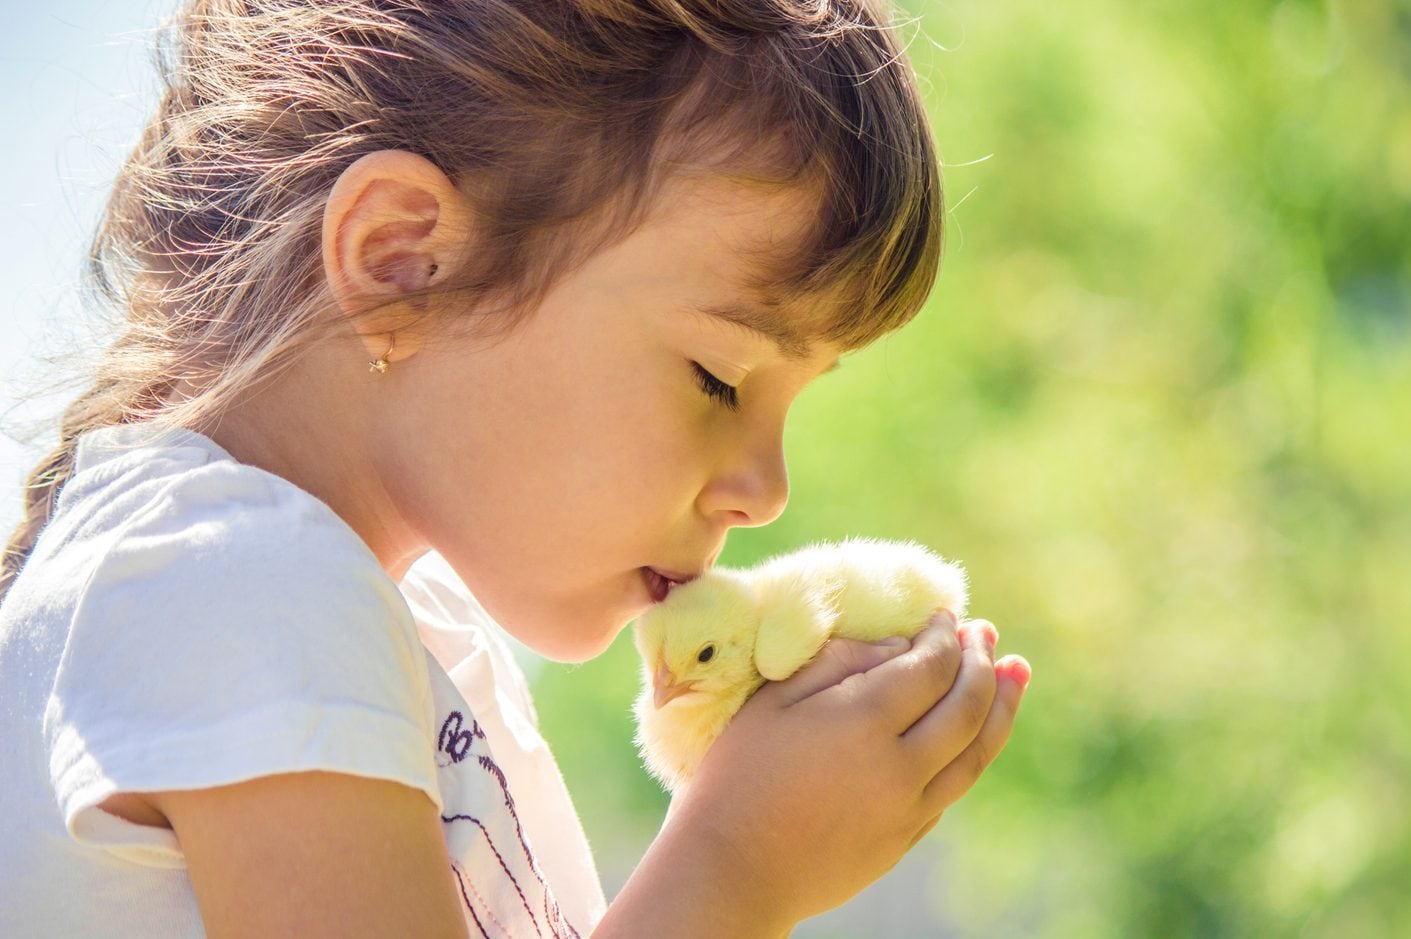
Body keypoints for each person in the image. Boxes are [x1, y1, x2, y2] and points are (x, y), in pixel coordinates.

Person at [0, 0, 1032, 935]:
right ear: (401, 259)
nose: (764, 493)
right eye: (719, 378)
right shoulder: (247, 588)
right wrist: (735, 869)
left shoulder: (396, 630)